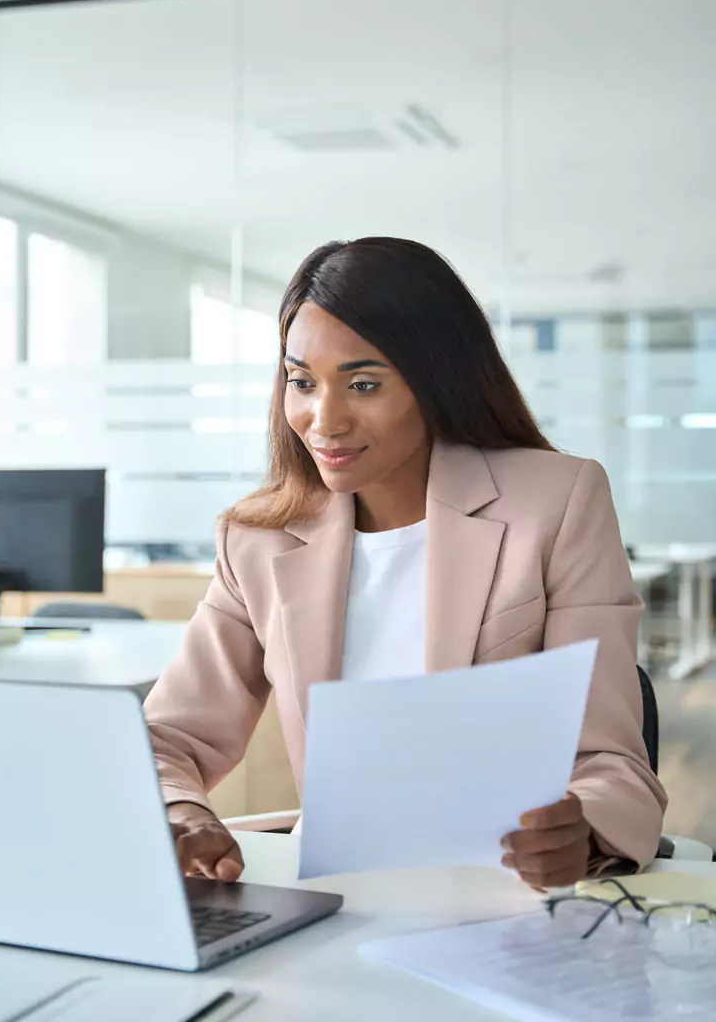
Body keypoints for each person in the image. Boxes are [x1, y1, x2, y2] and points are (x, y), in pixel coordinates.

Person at [145, 237, 666, 890]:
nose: (323, 419)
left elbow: (610, 761)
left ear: (434, 378)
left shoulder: (557, 502)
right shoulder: (257, 538)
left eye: (363, 384)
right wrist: (183, 812)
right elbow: (169, 739)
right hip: (334, 894)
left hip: (500, 892)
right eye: (302, 381)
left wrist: (582, 829)